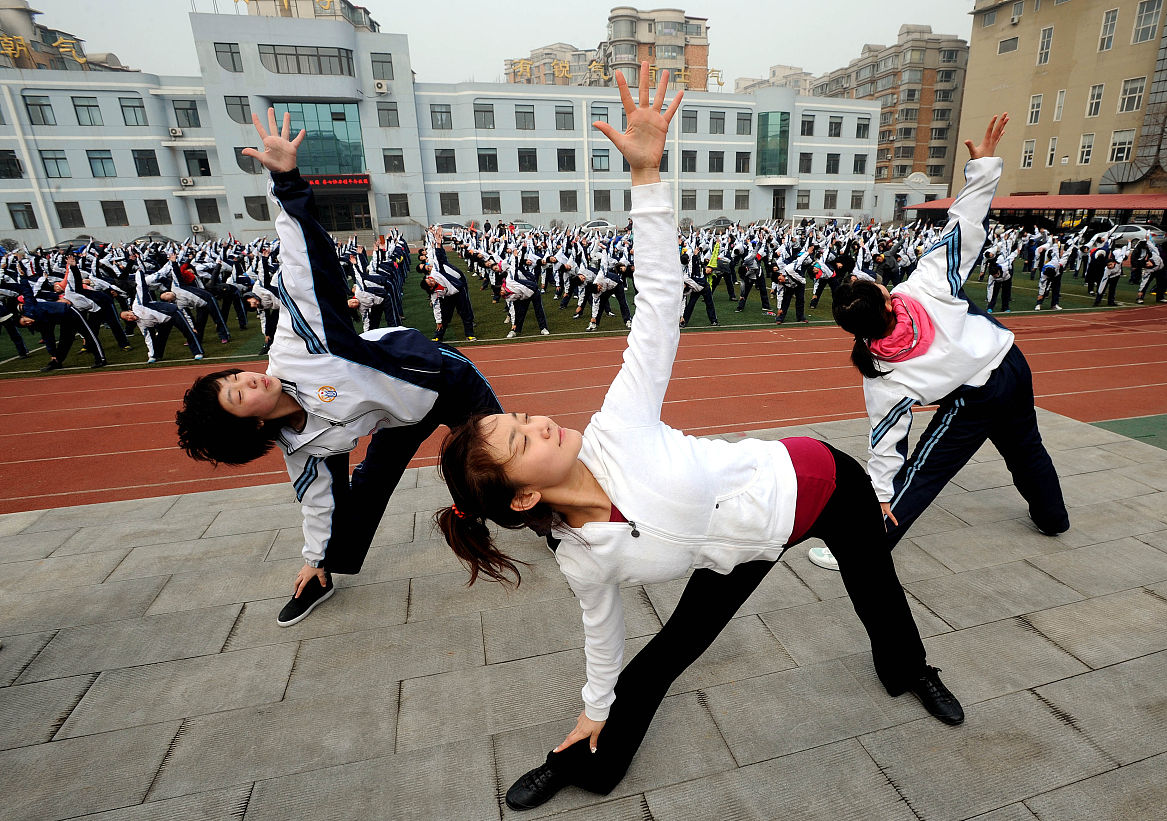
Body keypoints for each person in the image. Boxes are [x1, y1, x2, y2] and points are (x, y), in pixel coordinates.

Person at [434, 63, 964, 814]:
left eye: (517, 416)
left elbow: (657, 306)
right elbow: (602, 636)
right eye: (521, 439)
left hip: (814, 481)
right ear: (523, 493)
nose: (537, 420)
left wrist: (647, 178)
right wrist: (593, 702)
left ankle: (910, 669)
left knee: (875, 584)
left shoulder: (618, 423)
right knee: (654, 664)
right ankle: (584, 756)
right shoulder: (583, 557)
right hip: (738, 548)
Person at [175, 108, 501, 627]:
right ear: (254, 425)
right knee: (358, 495)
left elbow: (303, 269)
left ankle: (552, 523)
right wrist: (313, 558)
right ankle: (326, 576)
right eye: (238, 395)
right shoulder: (302, 449)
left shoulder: (297, 347)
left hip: (442, 379)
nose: (247, 379)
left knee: (496, 461)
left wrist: (287, 182)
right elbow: (316, 502)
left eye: (233, 377)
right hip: (398, 416)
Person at [808, 113, 1069, 574]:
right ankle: (1053, 520)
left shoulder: (880, 372)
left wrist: (881, 493)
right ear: (886, 297)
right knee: (1027, 448)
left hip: (974, 399)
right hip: (1011, 364)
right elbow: (965, 223)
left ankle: (862, 545)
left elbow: (886, 444)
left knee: (924, 473)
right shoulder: (924, 283)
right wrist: (984, 167)